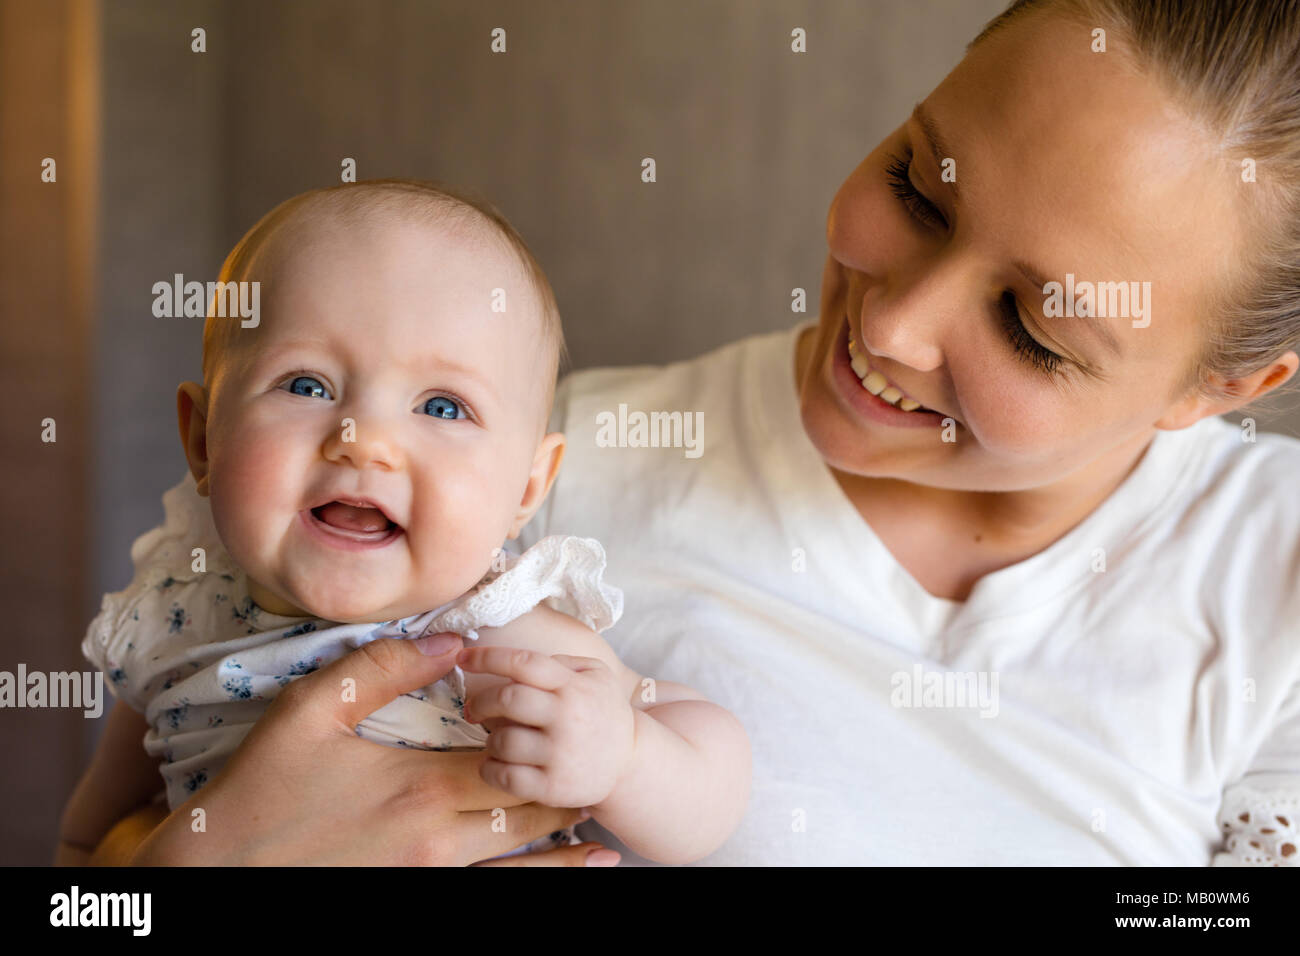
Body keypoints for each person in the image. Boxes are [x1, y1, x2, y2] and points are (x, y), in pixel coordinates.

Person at [71, 0, 1300, 865]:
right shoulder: (508, 496)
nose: (897, 319)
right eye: (921, 186)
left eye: (1033, 326)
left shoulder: (1273, 585)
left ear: (1222, 385)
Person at [57, 180, 750, 866]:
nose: (364, 440)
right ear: (204, 440)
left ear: (528, 488)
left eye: (443, 407)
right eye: (308, 385)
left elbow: (710, 766)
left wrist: (626, 755)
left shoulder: (496, 634)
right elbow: (87, 847)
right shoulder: (169, 622)